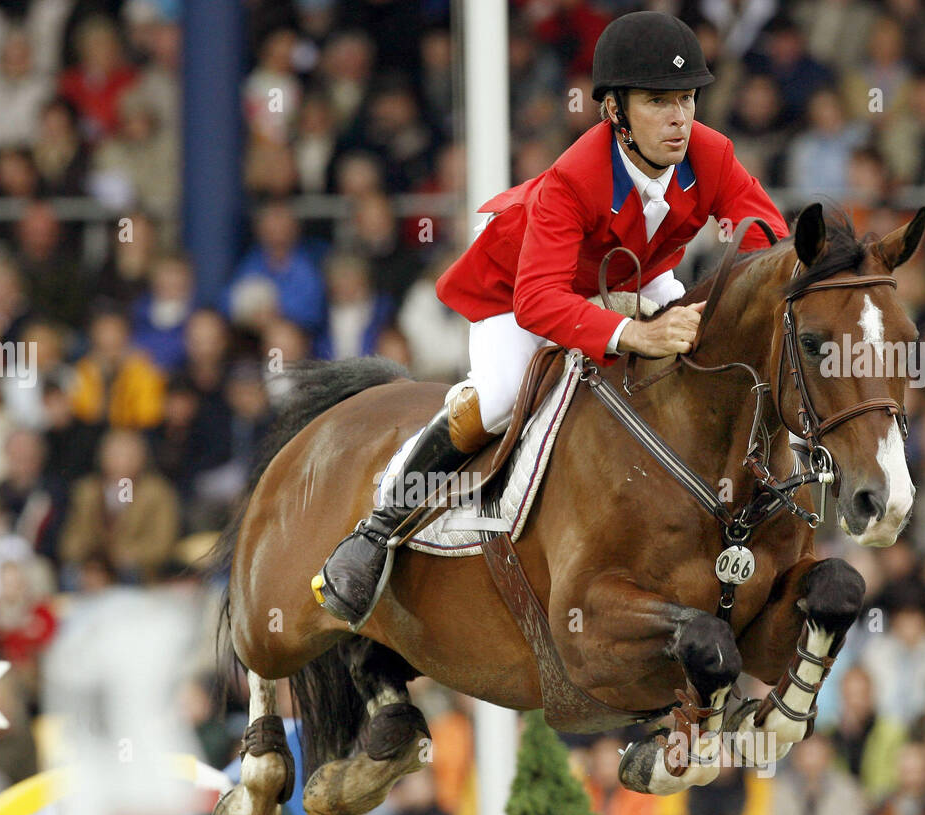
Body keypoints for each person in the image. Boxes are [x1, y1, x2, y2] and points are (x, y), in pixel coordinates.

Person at [313, 11, 788, 626]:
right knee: (501, 396)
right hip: (520, 288)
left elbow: (771, 244)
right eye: (658, 101)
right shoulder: (575, 178)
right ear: (614, 111)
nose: (679, 118)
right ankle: (375, 530)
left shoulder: (710, 152)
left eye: (688, 99)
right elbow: (539, 301)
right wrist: (635, 333)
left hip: (629, 277)